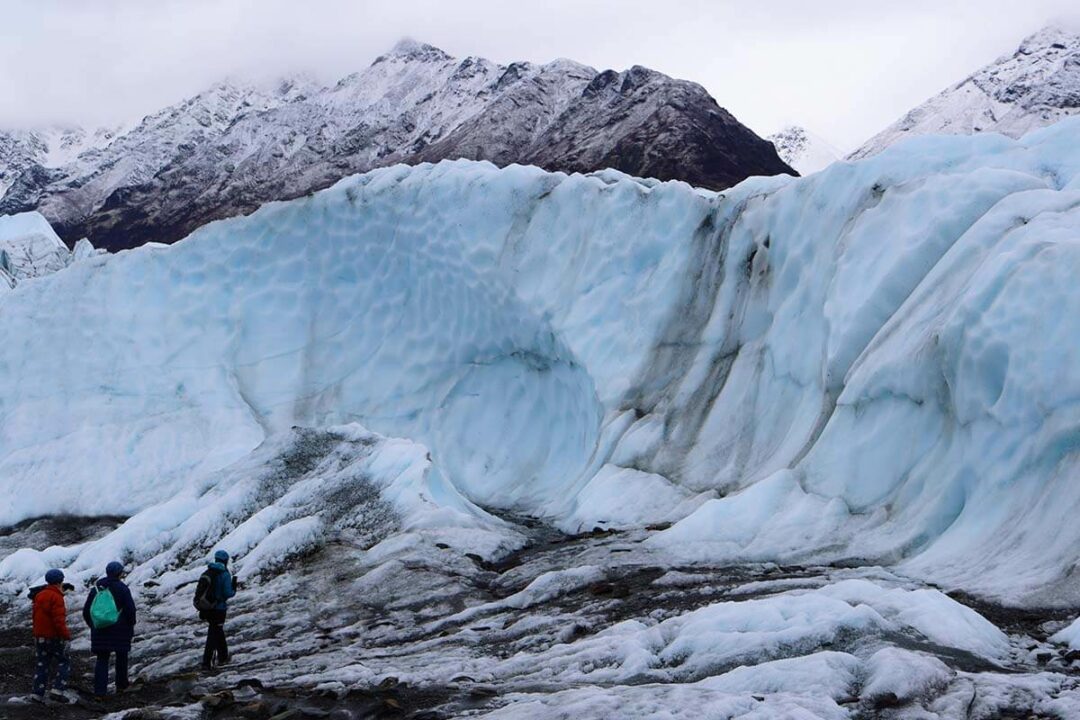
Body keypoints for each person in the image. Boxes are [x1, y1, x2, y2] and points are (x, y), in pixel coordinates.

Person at [82, 561, 137, 698]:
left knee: (102, 659)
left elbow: (87, 610)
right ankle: (121, 685)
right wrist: (131, 624)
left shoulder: (96, 589)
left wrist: (93, 625)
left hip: (100, 629)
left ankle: (100, 692)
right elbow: (130, 610)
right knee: (121, 657)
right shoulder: (123, 589)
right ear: (119, 573)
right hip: (121, 630)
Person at [31, 568, 72, 703]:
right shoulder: (56, 597)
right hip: (54, 636)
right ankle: (57, 690)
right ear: (60, 582)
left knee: (42, 664)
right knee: (64, 661)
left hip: (40, 636)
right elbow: (59, 620)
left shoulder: (39, 595)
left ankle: (37, 693)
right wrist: (66, 635)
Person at [195, 549, 237, 671]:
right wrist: (234, 589)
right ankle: (207, 662)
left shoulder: (209, 571)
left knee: (217, 631)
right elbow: (228, 593)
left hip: (208, 608)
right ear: (226, 561)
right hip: (219, 609)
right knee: (214, 633)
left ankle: (223, 656)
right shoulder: (224, 574)